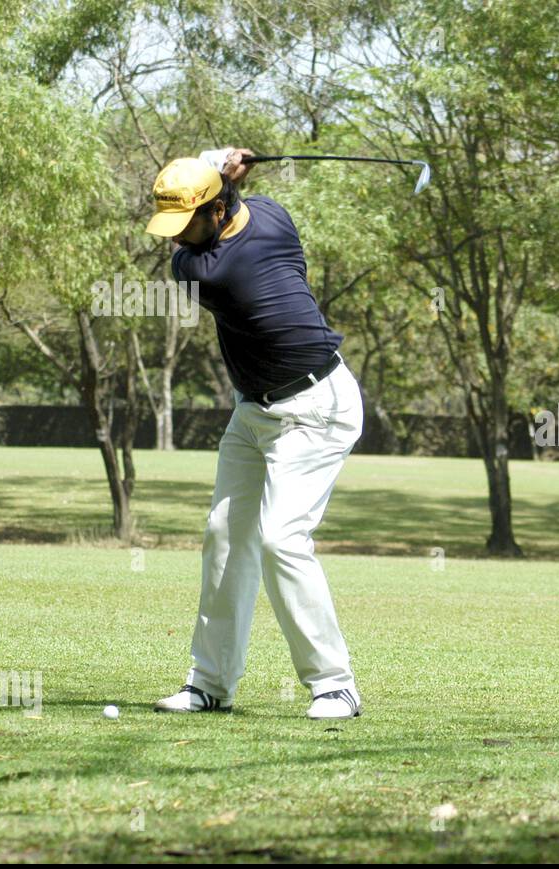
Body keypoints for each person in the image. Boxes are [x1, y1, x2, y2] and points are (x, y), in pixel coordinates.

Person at [144, 147, 364, 719]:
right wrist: (223, 175)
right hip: (255, 410)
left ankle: (334, 684)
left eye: (187, 224)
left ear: (217, 212)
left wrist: (217, 167)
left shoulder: (206, 272)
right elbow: (243, 204)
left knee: (280, 539)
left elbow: (199, 247)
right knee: (224, 533)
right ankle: (209, 684)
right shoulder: (272, 216)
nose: (176, 239)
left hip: (317, 409)